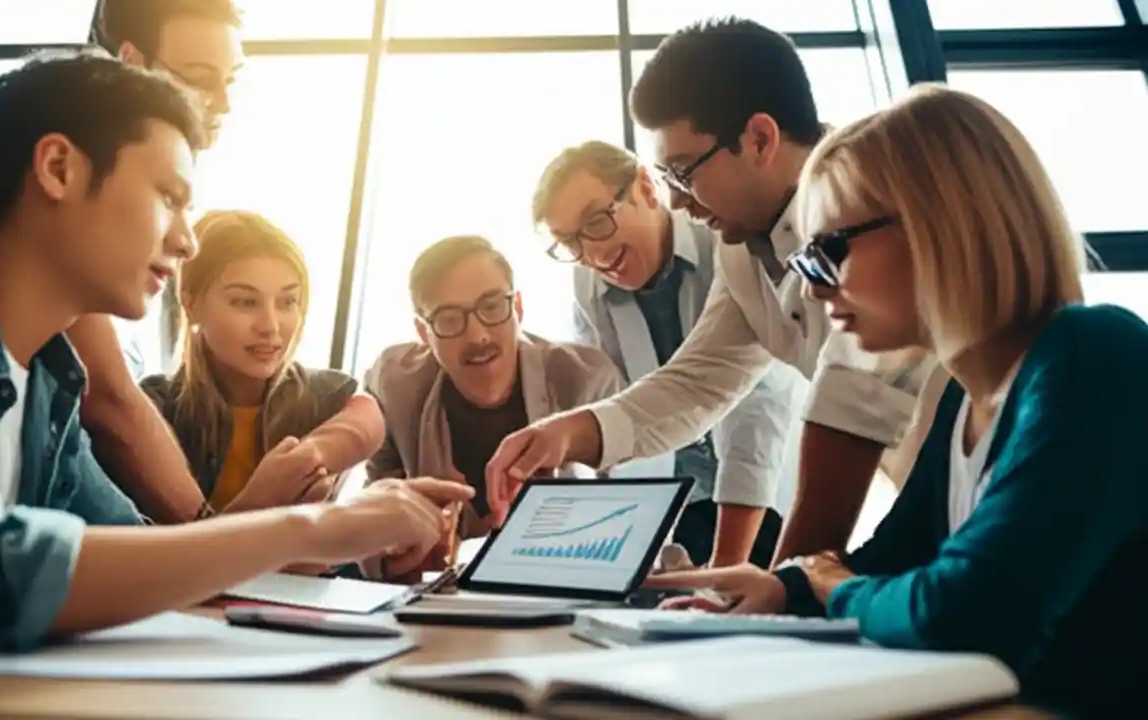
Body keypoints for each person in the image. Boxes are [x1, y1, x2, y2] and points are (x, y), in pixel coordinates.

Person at [0, 51, 471, 653]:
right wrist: (309, 527)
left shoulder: (51, 387)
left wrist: (350, 530)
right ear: (58, 168)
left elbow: (140, 556)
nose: (185, 241)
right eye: (169, 197)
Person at [644, 85, 1147, 716]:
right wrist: (785, 585)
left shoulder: (1093, 356)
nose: (810, 282)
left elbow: (964, 609)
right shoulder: (967, 403)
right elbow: (894, 560)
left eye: (829, 249)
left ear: (941, 223)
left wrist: (832, 586)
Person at [486, 17, 937, 562]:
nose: (678, 202)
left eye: (683, 172)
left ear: (759, 139)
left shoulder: (870, 214)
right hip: (928, 502)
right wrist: (568, 431)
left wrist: (783, 584)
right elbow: (696, 382)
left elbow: (848, 403)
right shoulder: (742, 250)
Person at [0, 0, 247, 524]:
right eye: (200, 79)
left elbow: (72, 546)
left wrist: (235, 546)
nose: (223, 103)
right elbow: (110, 404)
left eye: (231, 80)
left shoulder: (49, 378)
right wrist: (230, 536)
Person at [533, 139, 803, 568]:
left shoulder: (726, 241)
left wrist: (724, 568)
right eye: (571, 243)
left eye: (597, 221)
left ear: (644, 185)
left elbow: (757, 409)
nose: (594, 255)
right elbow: (610, 405)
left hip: (765, 478)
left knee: (766, 592)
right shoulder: (588, 286)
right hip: (681, 485)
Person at [364, 235, 625, 580]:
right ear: (423, 333)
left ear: (517, 308)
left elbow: (634, 518)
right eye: (449, 318)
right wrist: (390, 557)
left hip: (564, 591)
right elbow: (373, 501)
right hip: (436, 602)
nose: (477, 336)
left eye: (491, 307)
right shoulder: (393, 383)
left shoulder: (587, 378)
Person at [141, 210, 385, 513]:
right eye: (245, 302)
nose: (270, 326)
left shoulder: (326, 395)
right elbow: (171, 548)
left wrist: (310, 458)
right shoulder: (154, 410)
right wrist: (261, 499)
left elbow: (368, 420)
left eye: (287, 302)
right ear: (191, 305)